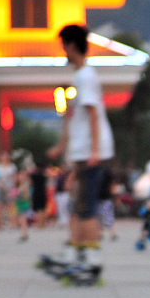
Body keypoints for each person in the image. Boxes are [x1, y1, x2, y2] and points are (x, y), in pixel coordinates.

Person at [45, 23, 115, 275]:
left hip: (90, 152)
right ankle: (74, 250)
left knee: (86, 206)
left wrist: (95, 151)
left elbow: (93, 113)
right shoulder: (80, 76)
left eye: (63, 45)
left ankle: (91, 257)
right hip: (82, 152)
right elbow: (74, 118)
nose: (63, 50)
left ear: (71, 45)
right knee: (77, 204)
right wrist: (64, 148)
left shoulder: (85, 76)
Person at [0, 151, 15, 235]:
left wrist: (12, 188)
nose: (5, 158)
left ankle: (13, 223)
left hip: (9, 188)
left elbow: (14, 177)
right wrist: (0, 185)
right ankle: (0, 223)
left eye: (6, 156)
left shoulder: (12, 167)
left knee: (10, 205)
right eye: (3, 156)